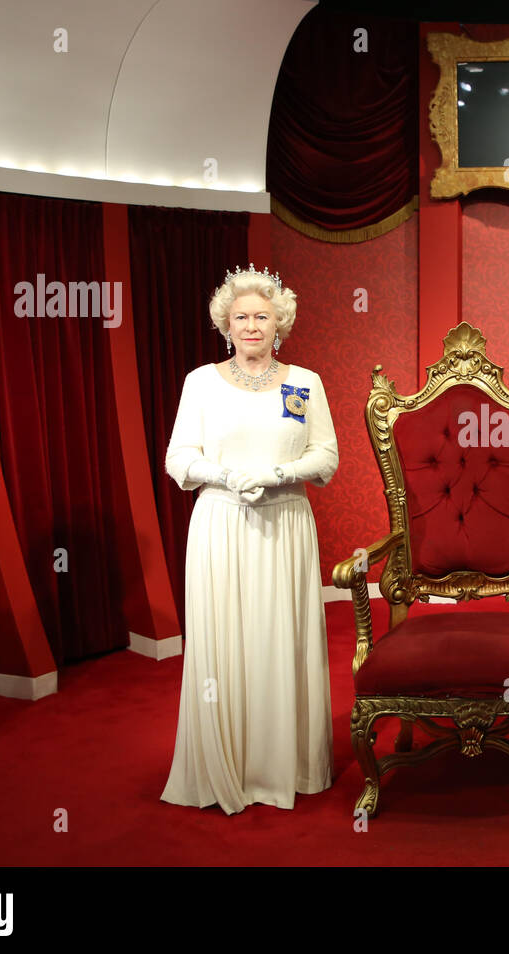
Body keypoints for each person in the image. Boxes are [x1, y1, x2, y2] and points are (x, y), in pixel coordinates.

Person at [160, 265, 338, 814]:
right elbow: (178, 459)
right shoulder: (199, 382)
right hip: (220, 524)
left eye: (262, 316)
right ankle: (227, 764)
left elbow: (325, 458)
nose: (252, 326)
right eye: (242, 317)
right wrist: (225, 476)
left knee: (278, 638)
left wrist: (277, 474)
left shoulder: (302, 382)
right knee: (225, 643)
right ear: (225, 324)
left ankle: (283, 764)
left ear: (279, 321)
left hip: (285, 523)